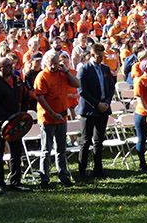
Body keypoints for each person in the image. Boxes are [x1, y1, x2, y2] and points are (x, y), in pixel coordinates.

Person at [33, 51, 79, 188]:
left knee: (61, 149)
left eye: (55, 63)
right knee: (46, 149)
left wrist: (67, 72)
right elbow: (40, 98)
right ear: (46, 63)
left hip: (62, 117)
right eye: (51, 64)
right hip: (48, 118)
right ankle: (45, 178)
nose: (53, 66)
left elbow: (77, 84)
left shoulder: (62, 74)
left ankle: (63, 176)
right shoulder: (42, 76)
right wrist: (52, 113)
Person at [0, 56, 28, 194]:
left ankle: (16, 182)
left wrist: (21, 115)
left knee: (16, 152)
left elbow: (23, 96)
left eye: (12, 65)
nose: (12, 67)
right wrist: (5, 120)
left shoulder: (16, 80)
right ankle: (0, 183)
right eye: (9, 66)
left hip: (15, 122)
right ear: (1, 68)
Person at [76, 43, 115, 181]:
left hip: (104, 108)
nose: (101, 59)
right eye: (98, 56)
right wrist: (96, 104)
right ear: (92, 55)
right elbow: (82, 91)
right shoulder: (84, 69)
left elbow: (111, 87)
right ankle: (82, 171)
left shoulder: (105, 68)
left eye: (102, 56)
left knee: (99, 140)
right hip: (89, 110)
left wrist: (107, 102)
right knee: (86, 141)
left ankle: (98, 169)